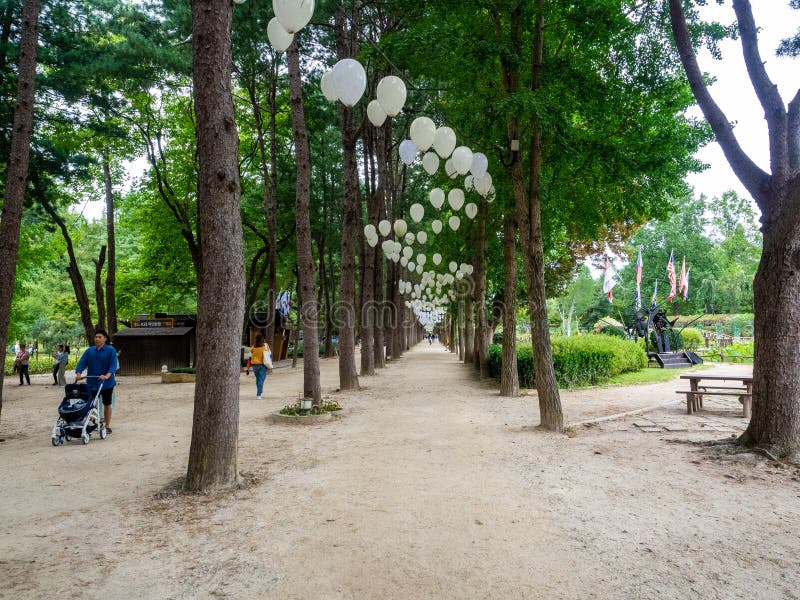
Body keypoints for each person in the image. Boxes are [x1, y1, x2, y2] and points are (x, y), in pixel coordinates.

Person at [75, 329, 119, 434]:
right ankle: (91, 422)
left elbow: (113, 365)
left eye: (100, 337)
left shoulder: (110, 350)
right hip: (92, 382)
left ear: (105, 339)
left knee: (107, 403)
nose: (97, 339)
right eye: (96, 337)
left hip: (107, 383)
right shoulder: (89, 351)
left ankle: (107, 425)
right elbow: (82, 362)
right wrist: (78, 374)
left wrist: (107, 375)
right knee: (91, 403)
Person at [250, 334, 272, 400]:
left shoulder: (253, 347)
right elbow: (269, 354)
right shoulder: (265, 346)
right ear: (263, 339)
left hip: (254, 365)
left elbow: (251, 355)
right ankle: (259, 394)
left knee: (258, 379)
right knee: (261, 380)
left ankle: (260, 392)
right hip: (262, 365)